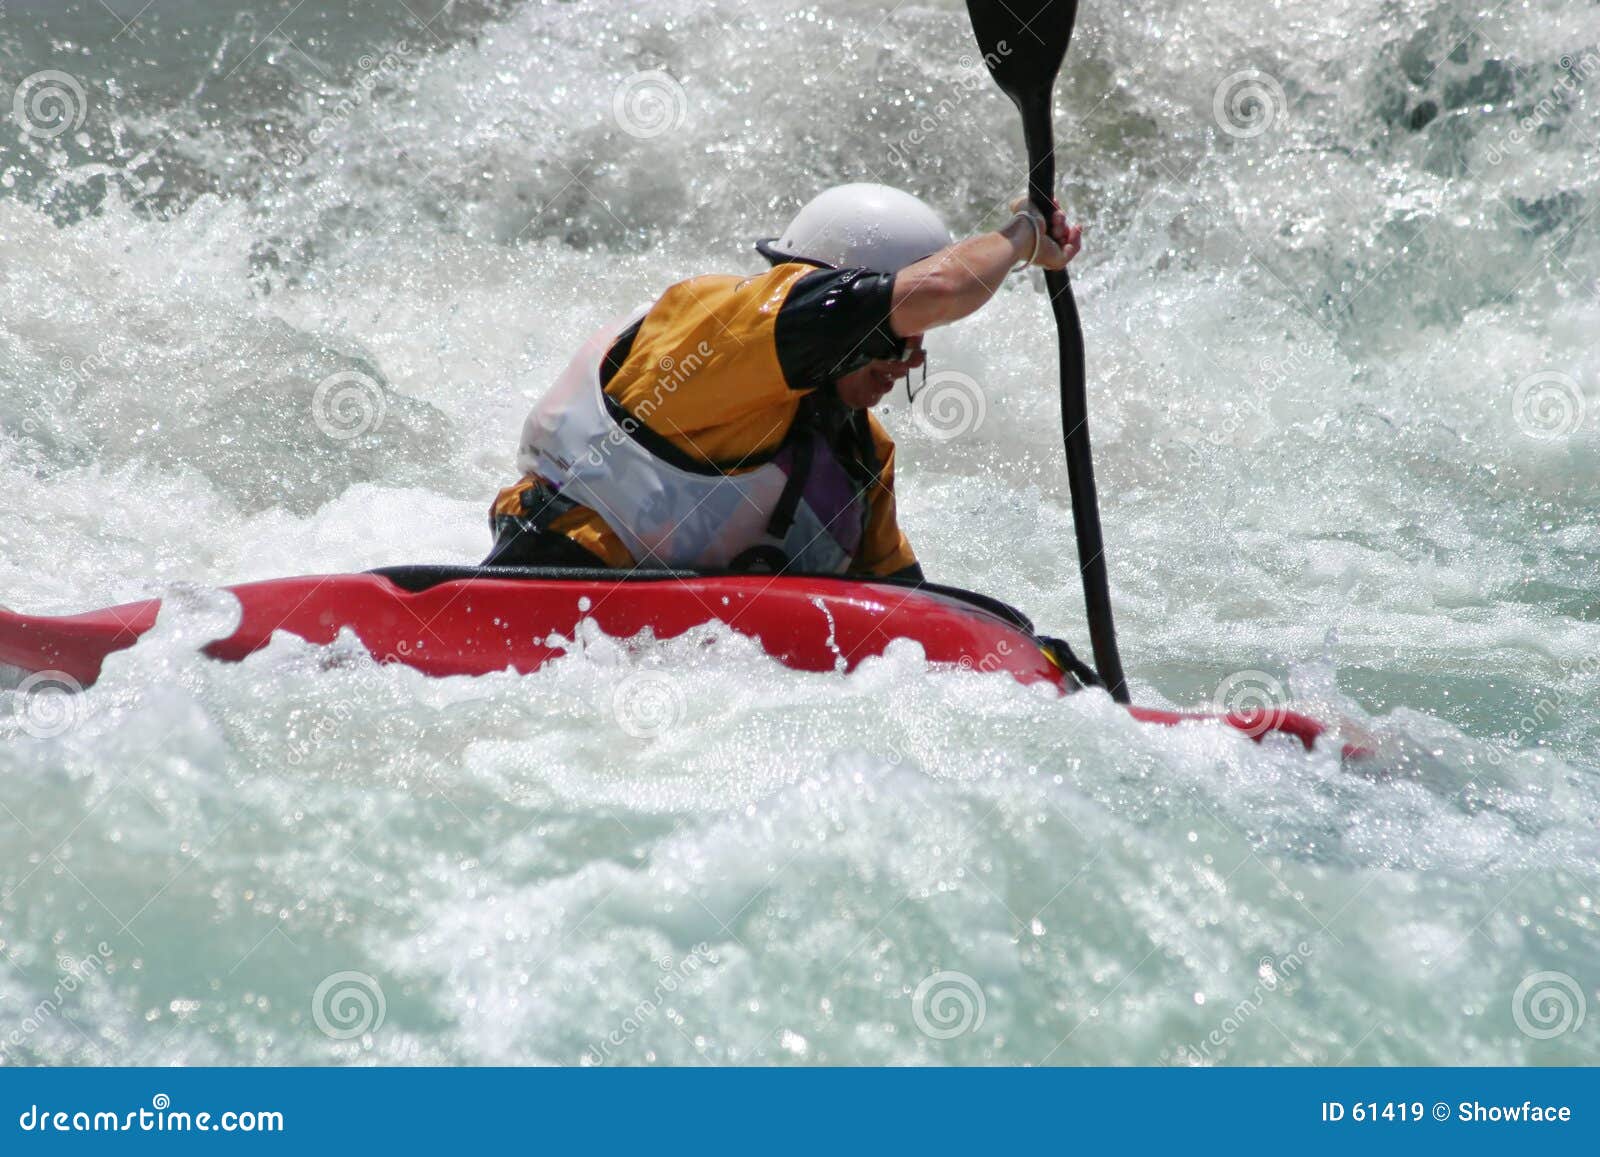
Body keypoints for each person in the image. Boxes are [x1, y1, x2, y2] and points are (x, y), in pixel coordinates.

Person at [485, 182, 1082, 581]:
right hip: (552, 580)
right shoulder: (720, 331)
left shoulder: (858, 454)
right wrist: (1024, 236)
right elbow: (942, 290)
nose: (912, 358)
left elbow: (901, 604)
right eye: (899, 334)